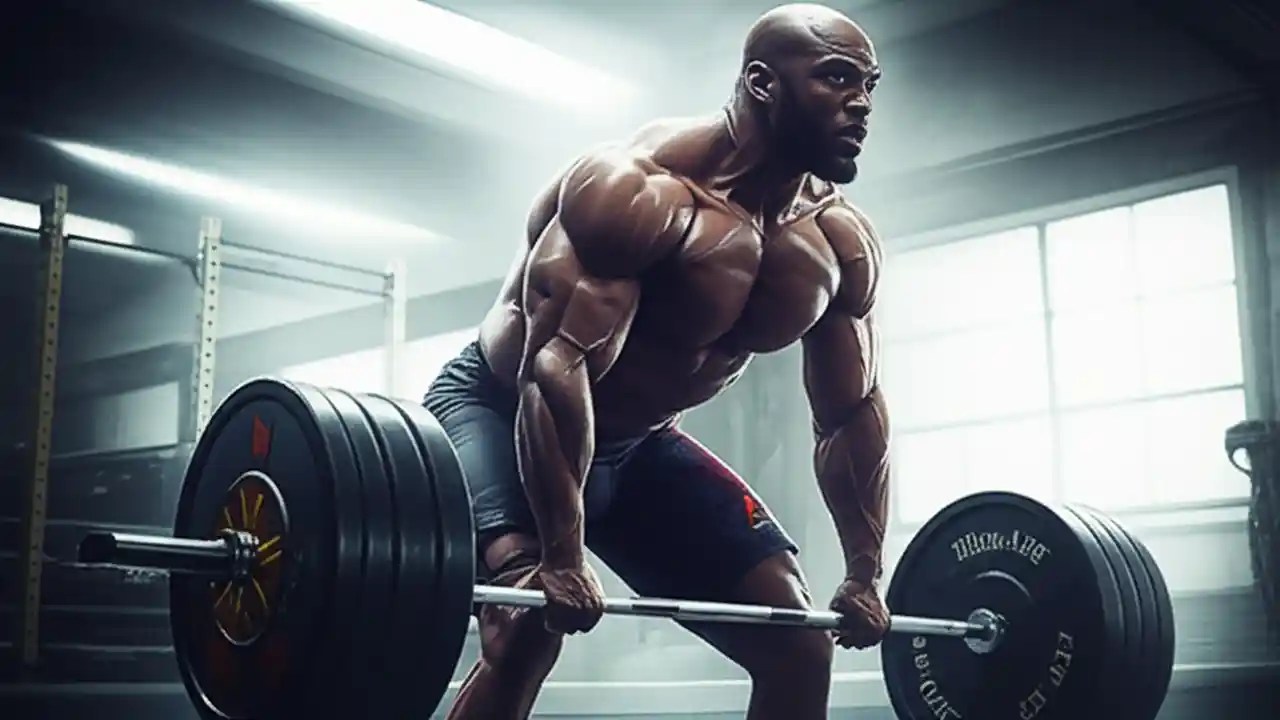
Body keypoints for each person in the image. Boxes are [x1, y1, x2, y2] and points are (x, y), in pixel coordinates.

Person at [423, 4, 890, 718]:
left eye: (869, 86)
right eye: (837, 79)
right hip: (501, 408)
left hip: (638, 445)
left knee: (799, 643)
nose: (861, 105)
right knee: (525, 627)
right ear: (762, 83)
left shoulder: (835, 243)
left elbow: (850, 413)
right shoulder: (636, 192)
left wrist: (864, 572)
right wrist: (558, 553)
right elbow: (554, 368)